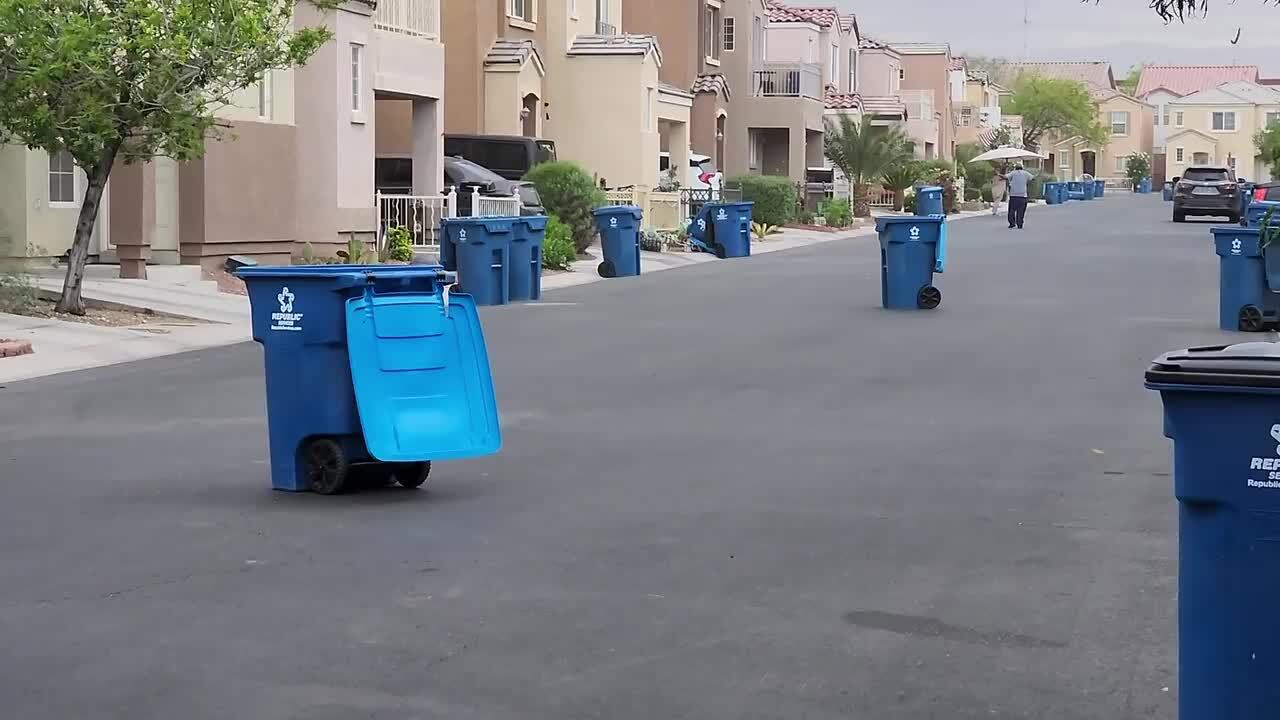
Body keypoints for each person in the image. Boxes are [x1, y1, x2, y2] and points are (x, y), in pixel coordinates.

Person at [1006, 163, 1033, 229]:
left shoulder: (1013, 173)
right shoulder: (1026, 173)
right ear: (1022, 168)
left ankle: (1012, 223)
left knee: (1012, 211)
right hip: (1023, 196)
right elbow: (1032, 178)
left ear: (1015, 168)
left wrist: (998, 174)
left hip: (1014, 195)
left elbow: (1005, 177)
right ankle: (1019, 224)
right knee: (1021, 211)